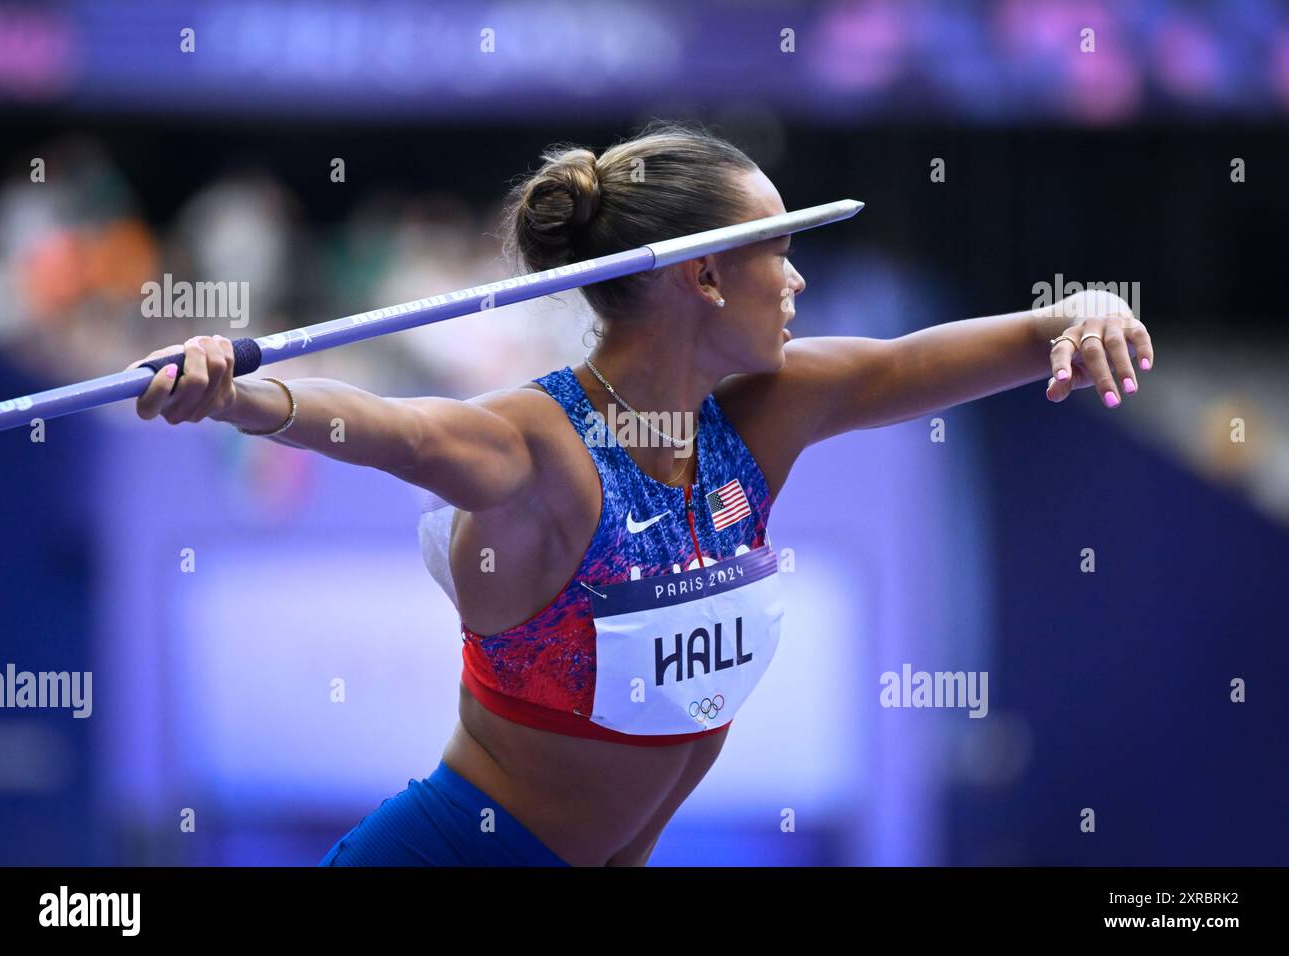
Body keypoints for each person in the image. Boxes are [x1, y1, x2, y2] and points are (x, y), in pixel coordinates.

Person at [127, 120, 1153, 866]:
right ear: (702, 277)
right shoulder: (541, 448)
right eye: (778, 250)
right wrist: (240, 394)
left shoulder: (763, 412)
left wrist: (1087, 310)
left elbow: (942, 356)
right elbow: (399, 427)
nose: (797, 281)